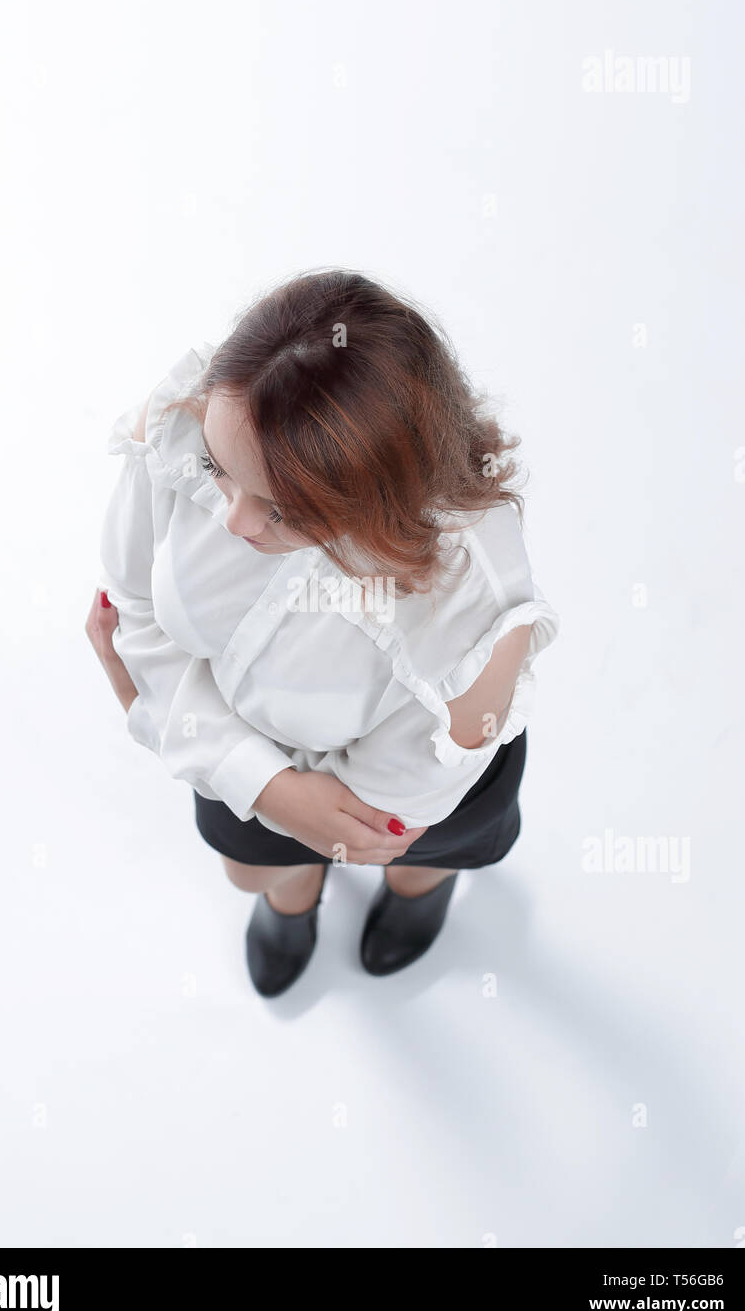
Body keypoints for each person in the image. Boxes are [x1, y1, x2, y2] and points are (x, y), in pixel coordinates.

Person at [86, 269, 559, 996]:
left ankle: (420, 895)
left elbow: (383, 818)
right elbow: (138, 618)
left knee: (415, 859)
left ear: (383, 495)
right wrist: (265, 786)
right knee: (253, 866)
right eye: (219, 470)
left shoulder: (476, 606)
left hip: (428, 792)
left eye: (282, 511)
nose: (235, 522)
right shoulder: (199, 416)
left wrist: (170, 719)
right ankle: (293, 899)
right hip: (256, 757)